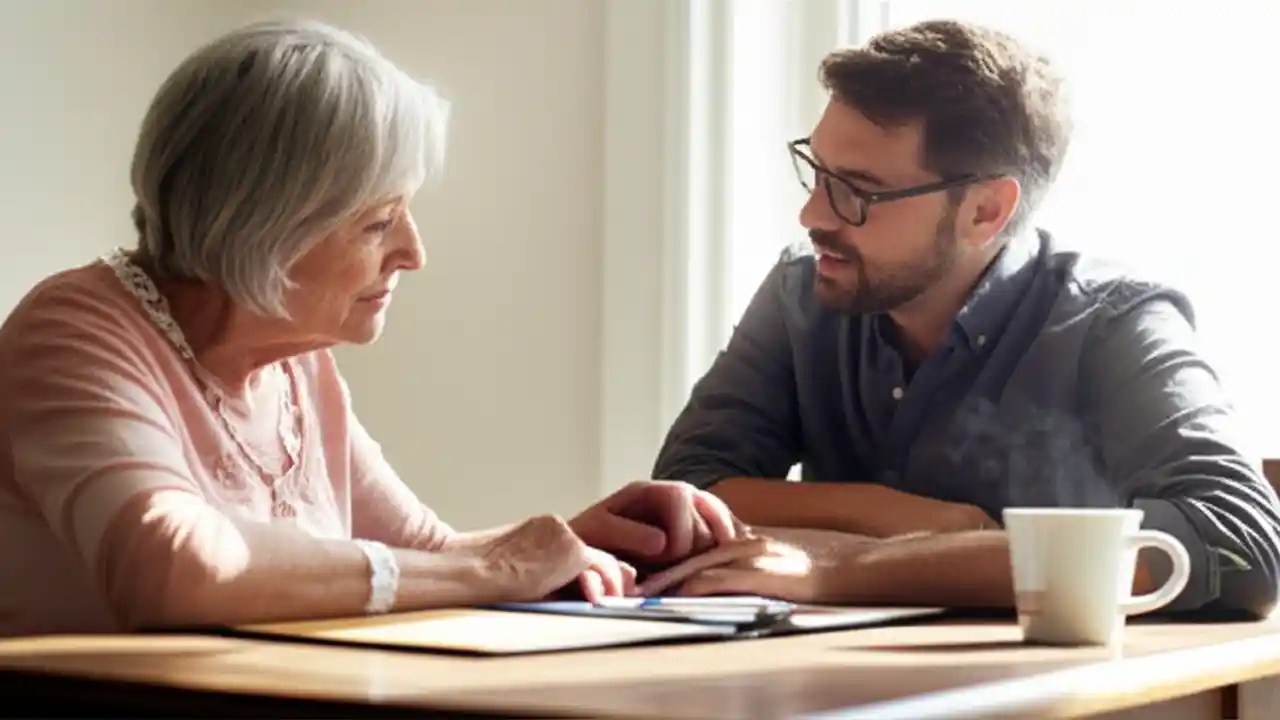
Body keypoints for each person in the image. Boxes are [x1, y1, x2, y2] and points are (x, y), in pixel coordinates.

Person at [0, 19, 738, 637]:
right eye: (379, 222)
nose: (413, 253)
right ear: (266, 225)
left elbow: (423, 557)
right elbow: (173, 571)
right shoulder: (77, 331)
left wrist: (579, 542)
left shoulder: (295, 366)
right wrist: (496, 566)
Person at [647, 19, 1280, 615]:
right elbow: (684, 493)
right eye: (816, 173)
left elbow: (1244, 546)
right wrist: (910, 518)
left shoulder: (1114, 321)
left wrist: (847, 572)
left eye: (857, 191)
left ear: (985, 211)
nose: (813, 215)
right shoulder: (804, 290)